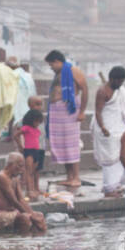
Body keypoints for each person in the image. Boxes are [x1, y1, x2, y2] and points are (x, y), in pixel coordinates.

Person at [44, 50, 87, 189]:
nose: (51, 68)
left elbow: (84, 89)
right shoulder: (59, 73)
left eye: (52, 65)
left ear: (57, 61)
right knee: (62, 145)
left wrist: (82, 112)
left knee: (71, 144)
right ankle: (69, 177)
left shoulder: (73, 70)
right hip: (58, 113)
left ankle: (76, 177)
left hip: (69, 111)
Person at [0, 153, 48, 235]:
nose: (22, 170)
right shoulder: (1, 177)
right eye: (20, 166)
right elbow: (13, 201)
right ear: (10, 165)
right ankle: (24, 241)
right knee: (25, 218)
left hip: (13, 212)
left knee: (39, 215)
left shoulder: (15, 178)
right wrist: (30, 215)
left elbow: (21, 199)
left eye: (23, 166)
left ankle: (37, 241)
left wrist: (32, 213)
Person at [93, 66, 125, 197]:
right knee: (109, 158)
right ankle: (109, 188)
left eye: (122, 82)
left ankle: (116, 185)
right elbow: (98, 111)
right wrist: (103, 127)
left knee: (120, 156)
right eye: (119, 81)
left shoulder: (121, 90)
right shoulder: (103, 91)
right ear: (112, 79)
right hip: (106, 129)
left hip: (118, 127)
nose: (121, 84)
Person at [13, 107, 46, 200]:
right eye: (36, 121)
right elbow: (16, 135)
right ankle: (29, 190)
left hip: (36, 151)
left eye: (39, 122)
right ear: (31, 120)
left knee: (33, 171)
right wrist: (20, 146)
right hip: (29, 150)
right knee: (28, 171)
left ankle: (33, 189)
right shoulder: (26, 128)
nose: (38, 124)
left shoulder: (37, 130)